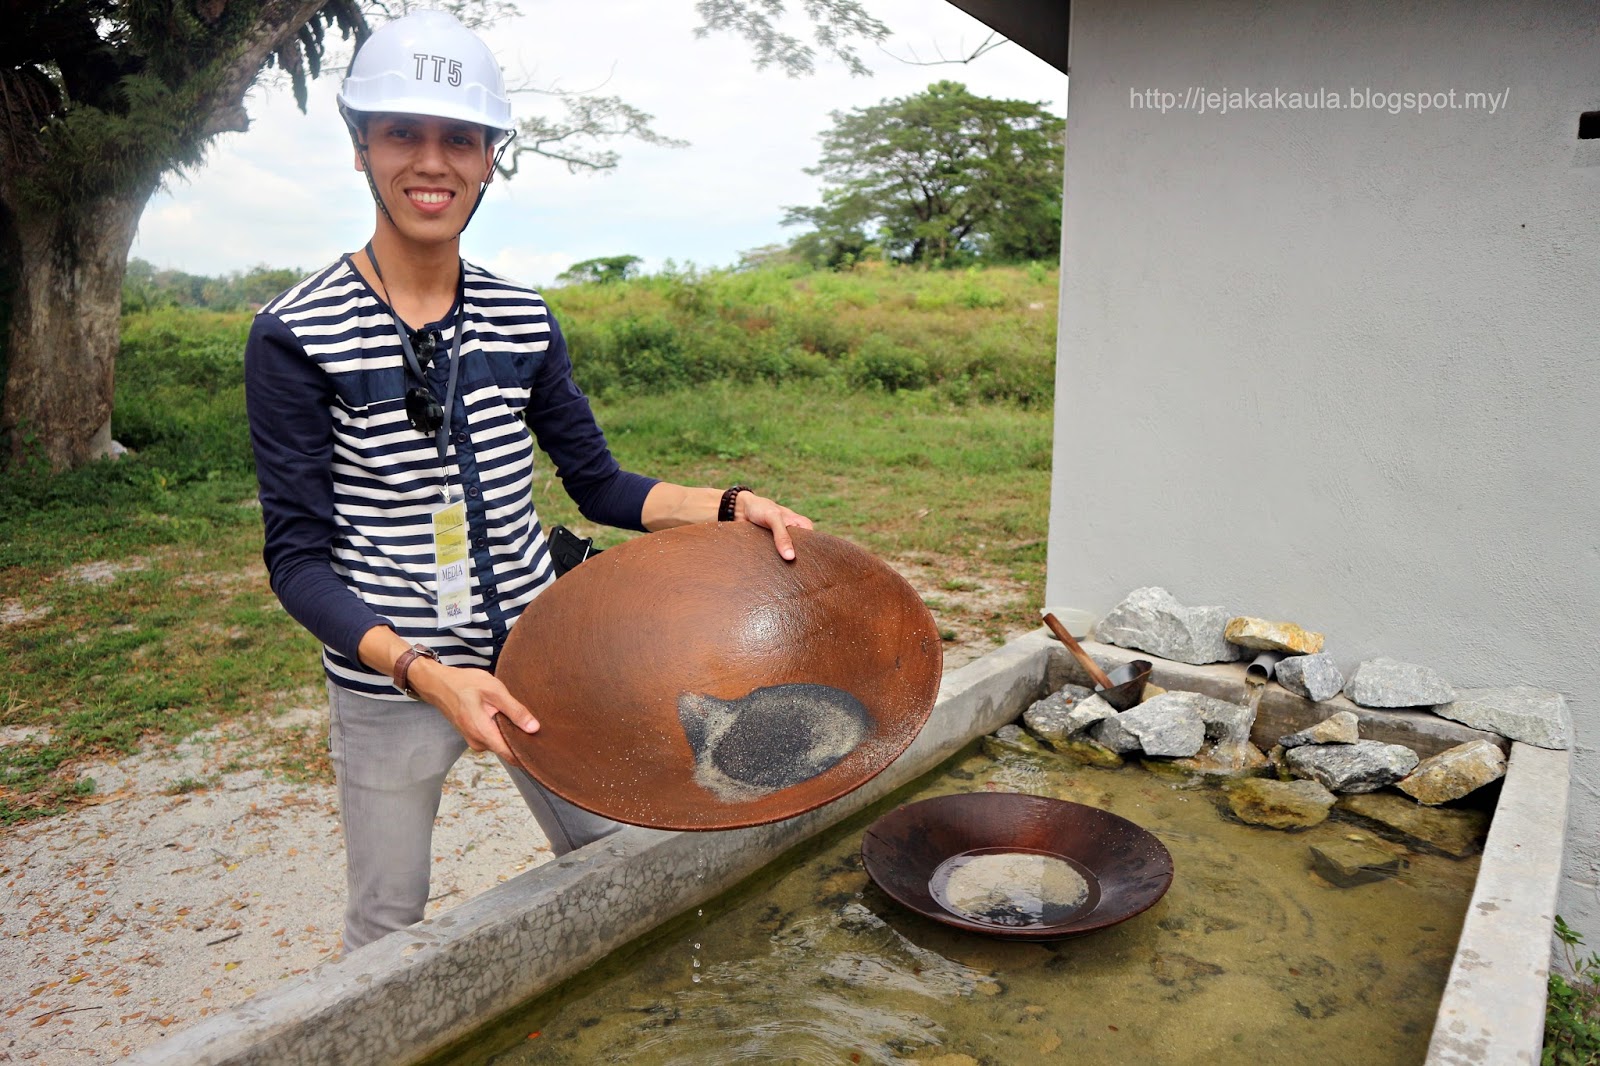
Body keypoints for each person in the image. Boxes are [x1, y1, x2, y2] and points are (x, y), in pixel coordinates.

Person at [243, 9, 811, 952]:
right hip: (392, 678)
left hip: (541, 657)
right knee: (388, 924)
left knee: (622, 868)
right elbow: (298, 562)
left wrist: (727, 507)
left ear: (490, 157)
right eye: (403, 134)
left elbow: (600, 485)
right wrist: (427, 674)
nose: (432, 162)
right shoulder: (296, 333)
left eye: (459, 138)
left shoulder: (519, 317)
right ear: (361, 149)